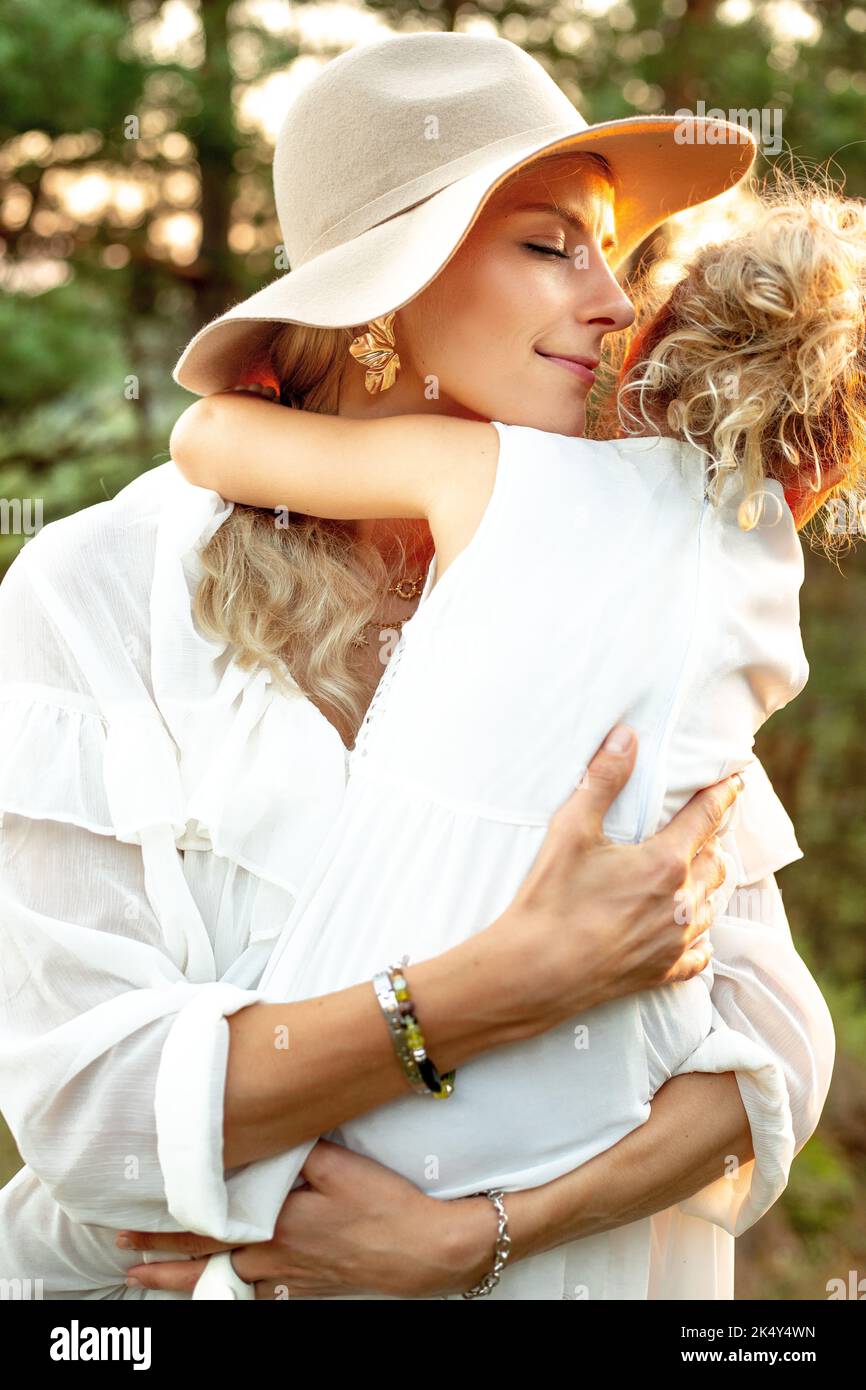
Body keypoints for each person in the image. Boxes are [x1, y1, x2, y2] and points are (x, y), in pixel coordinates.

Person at [0, 32, 834, 1302]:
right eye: (552, 245)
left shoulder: (609, 571)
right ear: (384, 296)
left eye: (610, 253)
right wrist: (497, 989)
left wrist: (476, 1234)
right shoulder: (95, 594)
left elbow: (769, 1048)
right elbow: (93, 1111)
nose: (613, 303)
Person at [166, 165, 862, 1300]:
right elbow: (774, 1037)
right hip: (592, 1105)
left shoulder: (486, 474)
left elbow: (206, 441)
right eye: (551, 249)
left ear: (642, 357)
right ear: (822, 470)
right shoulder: (761, 589)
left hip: (353, 1053)